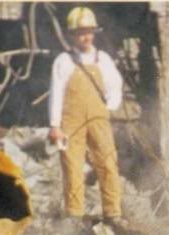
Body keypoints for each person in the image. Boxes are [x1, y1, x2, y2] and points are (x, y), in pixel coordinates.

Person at [48, 6, 124, 222]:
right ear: (72, 35)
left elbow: (115, 85)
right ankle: (74, 215)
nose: (86, 37)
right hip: (71, 121)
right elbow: (56, 93)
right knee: (72, 166)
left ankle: (113, 213)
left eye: (89, 32)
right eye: (81, 33)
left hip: (99, 119)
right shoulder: (63, 61)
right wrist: (55, 125)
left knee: (108, 163)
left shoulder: (103, 59)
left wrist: (110, 107)